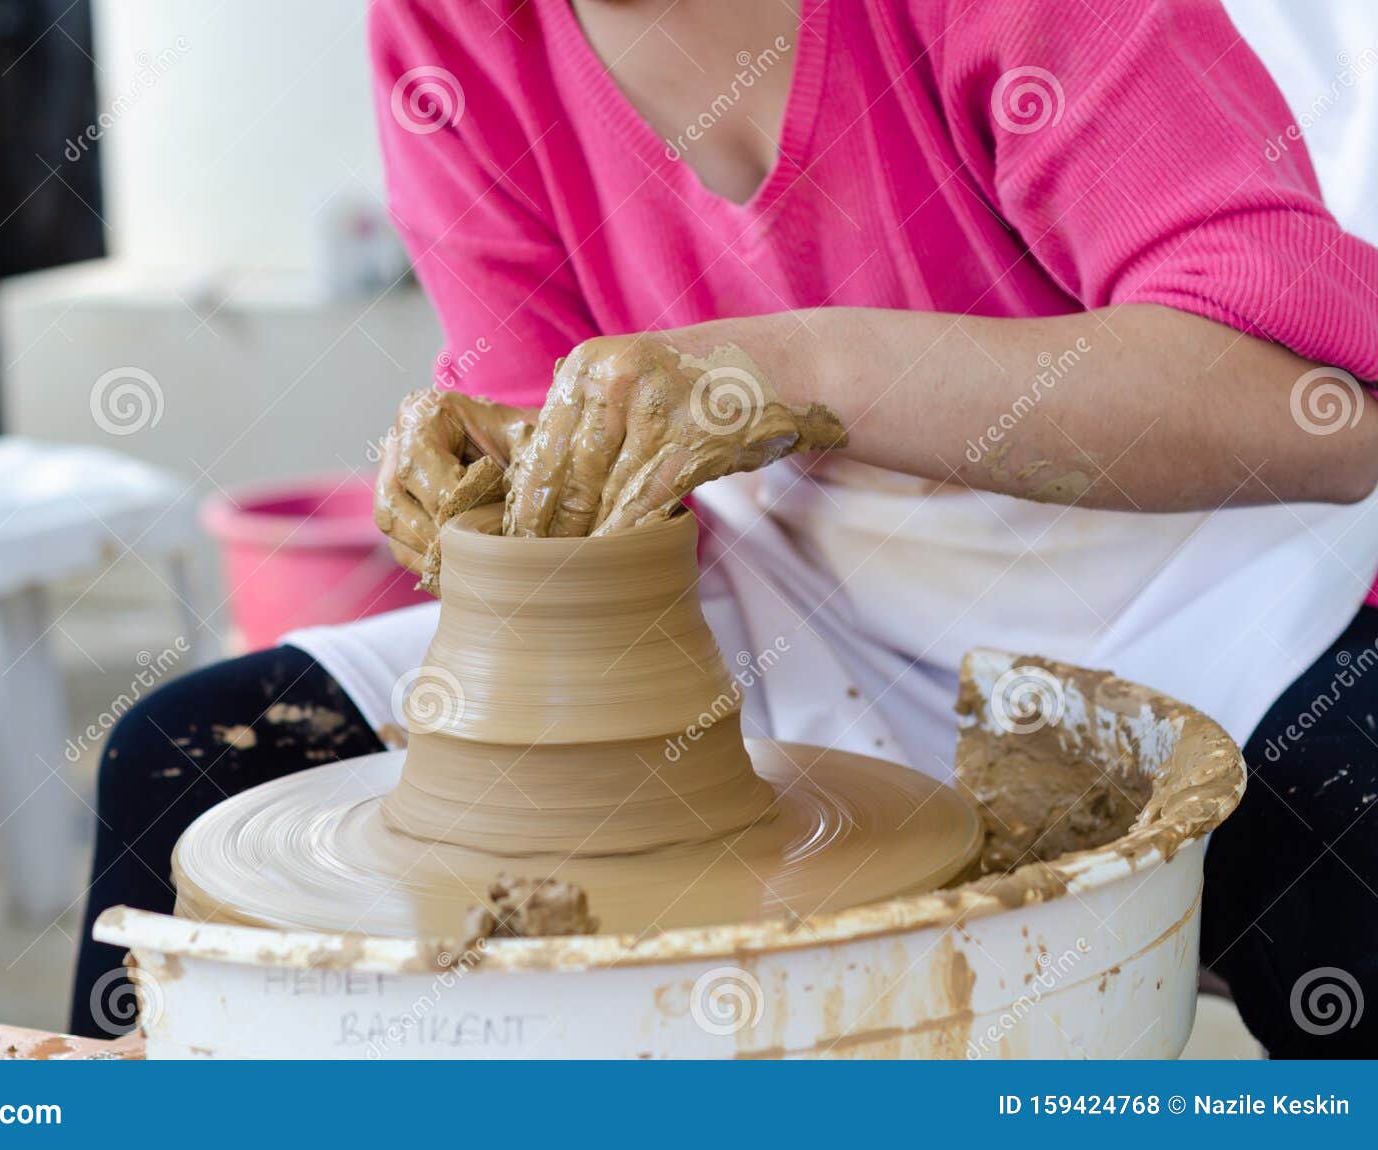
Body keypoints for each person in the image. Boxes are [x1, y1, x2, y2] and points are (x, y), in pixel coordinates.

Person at [72, 0, 1378, 1057]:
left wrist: (796, 368)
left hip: (1190, 602)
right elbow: (567, 438)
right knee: (186, 759)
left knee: (1348, 816)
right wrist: (507, 486)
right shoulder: (448, 28)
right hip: (777, 606)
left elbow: (1321, 417)